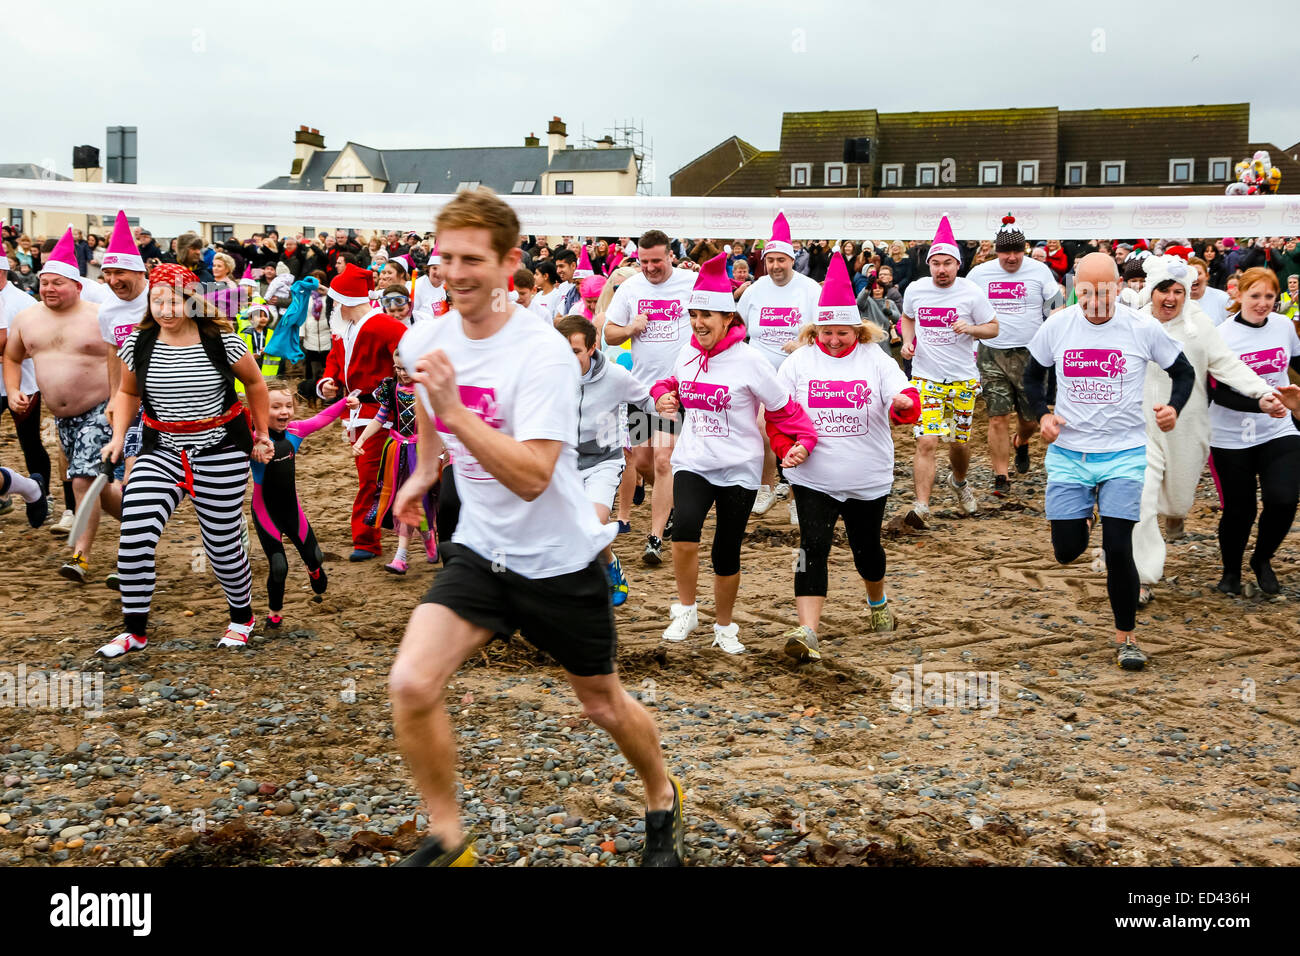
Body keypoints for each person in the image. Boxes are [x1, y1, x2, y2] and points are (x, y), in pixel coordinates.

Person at [388, 189, 685, 867]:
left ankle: (662, 795)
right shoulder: (425, 337)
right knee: (411, 682)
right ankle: (449, 836)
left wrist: (458, 414)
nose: (455, 273)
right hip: (482, 553)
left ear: (509, 262)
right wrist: (426, 469)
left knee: (604, 705)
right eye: (445, 258)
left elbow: (530, 474)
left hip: (556, 560)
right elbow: (431, 405)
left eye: (472, 259)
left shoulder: (543, 355)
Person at [1023, 253, 1194, 671]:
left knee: (1119, 549)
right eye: (1086, 292)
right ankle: (1083, 519)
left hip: (1124, 454)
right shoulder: (1058, 325)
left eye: (1105, 290)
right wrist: (1043, 414)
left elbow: (1184, 372)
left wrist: (1173, 407)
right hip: (1070, 454)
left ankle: (1127, 639)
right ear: (1075, 290)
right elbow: (1032, 375)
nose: (1096, 300)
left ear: (1120, 287)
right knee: (1067, 551)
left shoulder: (1141, 327)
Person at [96, 264, 275, 658]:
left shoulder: (222, 342)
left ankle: (242, 618)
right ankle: (134, 631)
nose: (165, 308)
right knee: (134, 537)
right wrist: (118, 436)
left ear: (192, 300)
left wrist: (262, 433)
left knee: (222, 544)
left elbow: (257, 384)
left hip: (219, 452)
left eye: (174, 299)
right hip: (159, 452)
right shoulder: (138, 345)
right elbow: (127, 394)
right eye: (157, 300)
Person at [650, 252, 818, 654]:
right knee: (685, 532)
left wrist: (804, 441)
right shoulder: (687, 352)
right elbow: (671, 382)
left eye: (707, 316)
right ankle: (687, 609)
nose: (698, 323)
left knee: (726, 550)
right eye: (694, 315)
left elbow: (783, 409)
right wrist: (663, 396)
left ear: (728, 319)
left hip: (739, 468)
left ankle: (724, 626)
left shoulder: (750, 361)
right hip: (693, 460)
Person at [776, 254, 919, 662]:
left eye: (842, 332)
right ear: (814, 330)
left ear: (858, 330)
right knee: (811, 546)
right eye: (826, 333)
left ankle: (877, 603)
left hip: (866, 477)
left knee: (866, 549)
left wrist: (905, 403)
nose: (834, 340)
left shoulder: (876, 359)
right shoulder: (799, 361)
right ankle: (807, 630)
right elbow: (779, 409)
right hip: (813, 475)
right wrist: (787, 446)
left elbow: (900, 392)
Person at [1130, 256, 1279, 603]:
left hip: (1188, 424)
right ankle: (1140, 577)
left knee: (1179, 502)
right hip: (1137, 426)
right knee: (1142, 499)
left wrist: (1264, 392)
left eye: (1178, 291)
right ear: (1150, 291)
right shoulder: (1131, 322)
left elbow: (1227, 363)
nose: (1170, 298)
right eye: (1163, 290)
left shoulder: (1200, 324)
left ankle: (1171, 516)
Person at [2, 229, 123, 582]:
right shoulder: (27, 319)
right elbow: (12, 357)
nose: (49, 289)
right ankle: (141, 520)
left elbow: (127, 360)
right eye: (45, 283)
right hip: (62, 418)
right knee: (93, 488)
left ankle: (79, 556)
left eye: (58, 283)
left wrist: (119, 400)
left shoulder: (101, 316)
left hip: (100, 410)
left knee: (83, 481)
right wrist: (12, 390)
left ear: (77, 286)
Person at [603, 229, 698, 565]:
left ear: (670, 256)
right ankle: (670, 503)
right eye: (644, 262)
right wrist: (630, 329)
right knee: (643, 463)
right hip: (641, 391)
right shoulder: (631, 288)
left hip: (676, 389)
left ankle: (654, 538)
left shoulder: (691, 283)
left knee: (662, 460)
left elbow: (719, 321)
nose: (650, 268)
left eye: (656, 261)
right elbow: (609, 333)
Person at [898, 215, 999, 528]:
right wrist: (907, 341)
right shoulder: (916, 290)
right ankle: (922, 506)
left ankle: (959, 482)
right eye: (936, 264)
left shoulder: (971, 293)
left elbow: (994, 328)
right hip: (926, 378)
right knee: (927, 442)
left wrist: (970, 328)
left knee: (958, 443)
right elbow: (907, 316)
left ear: (958, 265)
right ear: (929, 265)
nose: (941, 270)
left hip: (963, 380)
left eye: (947, 263)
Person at [1206, 267, 1300, 596]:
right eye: (1255, 296)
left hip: (1278, 427)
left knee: (1285, 498)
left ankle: (1262, 559)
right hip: (1230, 433)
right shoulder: (1221, 335)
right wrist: (1258, 404)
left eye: (1270, 297)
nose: (1263, 304)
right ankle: (1231, 570)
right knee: (1239, 509)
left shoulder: (1284, 326)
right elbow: (1216, 392)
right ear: (1239, 295)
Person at [557, 315, 653, 607]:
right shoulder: (549, 374)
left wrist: (664, 405)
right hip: (564, 462)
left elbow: (646, 401)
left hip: (604, 461)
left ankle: (611, 568)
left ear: (591, 347)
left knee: (595, 524)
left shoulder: (615, 376)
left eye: (574, 351)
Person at [316, 261, 408, 560]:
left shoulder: (385, 325)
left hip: (381, 411)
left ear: (344, 301)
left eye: (337, 300)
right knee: (375, 475)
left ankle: (366, 540)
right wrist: (327, 381)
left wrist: (402, 394)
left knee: (373, 476)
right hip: (356, 411)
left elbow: (410, 357)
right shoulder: (348, 329)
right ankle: (388, 528)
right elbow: (334, 360)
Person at [736, 211, 822, 517]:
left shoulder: (810, 289)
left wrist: (804, 342)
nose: (775, 266)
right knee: (761, 429)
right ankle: (767, 488)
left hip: (802, 373)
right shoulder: (755, 290)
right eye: (770, 260)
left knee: (800, 433)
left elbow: (827, 331)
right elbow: (736, 326)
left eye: (781, 260)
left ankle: (800, 498)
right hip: (762, 373)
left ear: (791, 260)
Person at [967, 214, 1060, 494]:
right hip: (991, 351)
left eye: (1017, 251)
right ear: (996, 251)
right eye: (1005, 251)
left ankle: (1021, 441)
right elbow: (962, 305)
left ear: (1025, 249)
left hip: (1031, 354)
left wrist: (1055, 328)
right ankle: (1001, 476)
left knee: (1031, 419)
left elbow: (1056, 305)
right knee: (997, 416)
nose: (1011, 257)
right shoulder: (980, 274)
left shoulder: (1040, 271)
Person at [251, 380, 341, 628]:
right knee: (279, 566)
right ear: (259, 409)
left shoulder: (295, 432)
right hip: (264, 510)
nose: (284, 412)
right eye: (276, 407)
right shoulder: (252, 439)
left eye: (288, 406)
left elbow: (323, 418)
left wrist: (346, 401)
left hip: (292, 510)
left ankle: (313, 569)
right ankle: (275, 613)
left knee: (316, 556)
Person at [352, 358, 439, 573]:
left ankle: (427, 535)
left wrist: (443, 448)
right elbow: (380, 417)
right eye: (398, 368)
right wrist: (361, 440)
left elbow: (440, 419)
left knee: (423, 499)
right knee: (404, 498)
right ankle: (401, 557)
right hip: (398, 450)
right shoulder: (391, 388)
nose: (402, 373)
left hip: (422, 450)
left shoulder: (427, 389)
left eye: (406, 368)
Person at [0, 256, 49, 507]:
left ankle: (44, 495)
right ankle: (2, 496)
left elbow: (38, 343)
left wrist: (11, 354)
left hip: (24, 385)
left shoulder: (23, 302)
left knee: (30, 442)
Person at [1190, 255, 1233, 326]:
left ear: (1207, 276)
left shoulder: (1222, 298)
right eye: (1190, 273)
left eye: (1198, 273)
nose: (1194, 278)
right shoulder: (1178, 299)